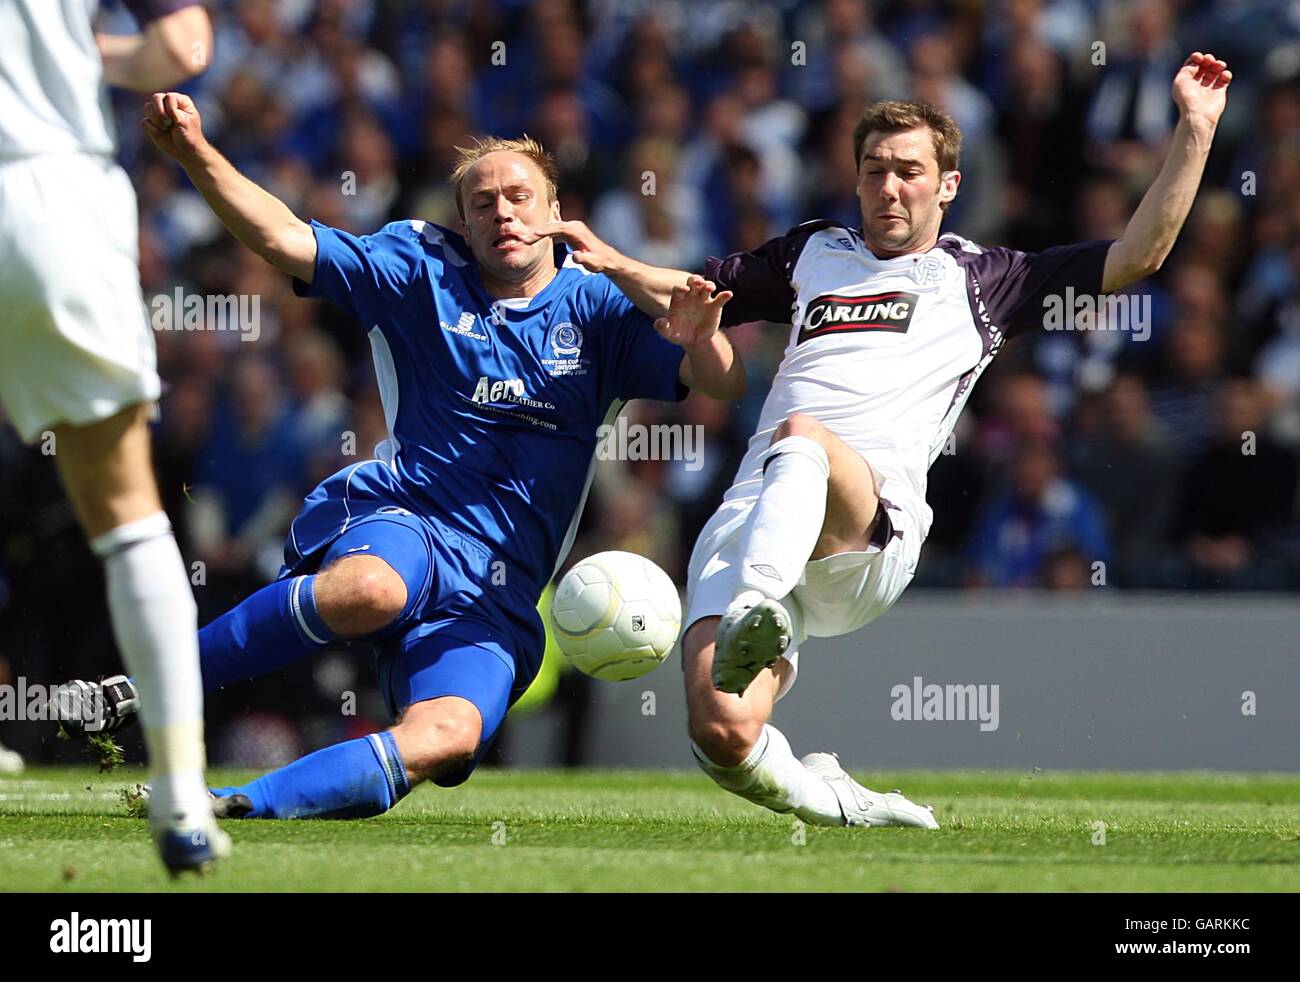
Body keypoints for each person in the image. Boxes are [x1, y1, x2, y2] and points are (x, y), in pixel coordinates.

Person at [527, 52, 1233, 829]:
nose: (889, 187)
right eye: (873, 170)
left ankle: (758, 601)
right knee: (723, 733)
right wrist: (610, 261)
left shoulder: (987, 280)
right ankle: (841, 800)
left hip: (869, 526)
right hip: (756, 510)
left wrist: (1194, 131)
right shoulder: (811, 253)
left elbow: (1139, 254)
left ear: (949, 185)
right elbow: (699, 291)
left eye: (909, 171)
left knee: (801, 435)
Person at [60, 92, 742, 820]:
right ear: (463, 223)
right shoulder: (420, 269)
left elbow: (723, 379)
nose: (502, 213)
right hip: (407, 514)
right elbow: (285, 240)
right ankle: (145, 689)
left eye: (519, 197)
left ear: (554, 212)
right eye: (482, 203)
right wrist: (196, 153)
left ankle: (234, 807)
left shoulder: (600, 310)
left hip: (497, 592)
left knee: (445, 736)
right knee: (372, 590)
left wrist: (673, 310)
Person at [0, 0, 223, 872]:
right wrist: (89, 53)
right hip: (57, 193)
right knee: (128, 509)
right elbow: (182, 46)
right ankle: (179, 794)